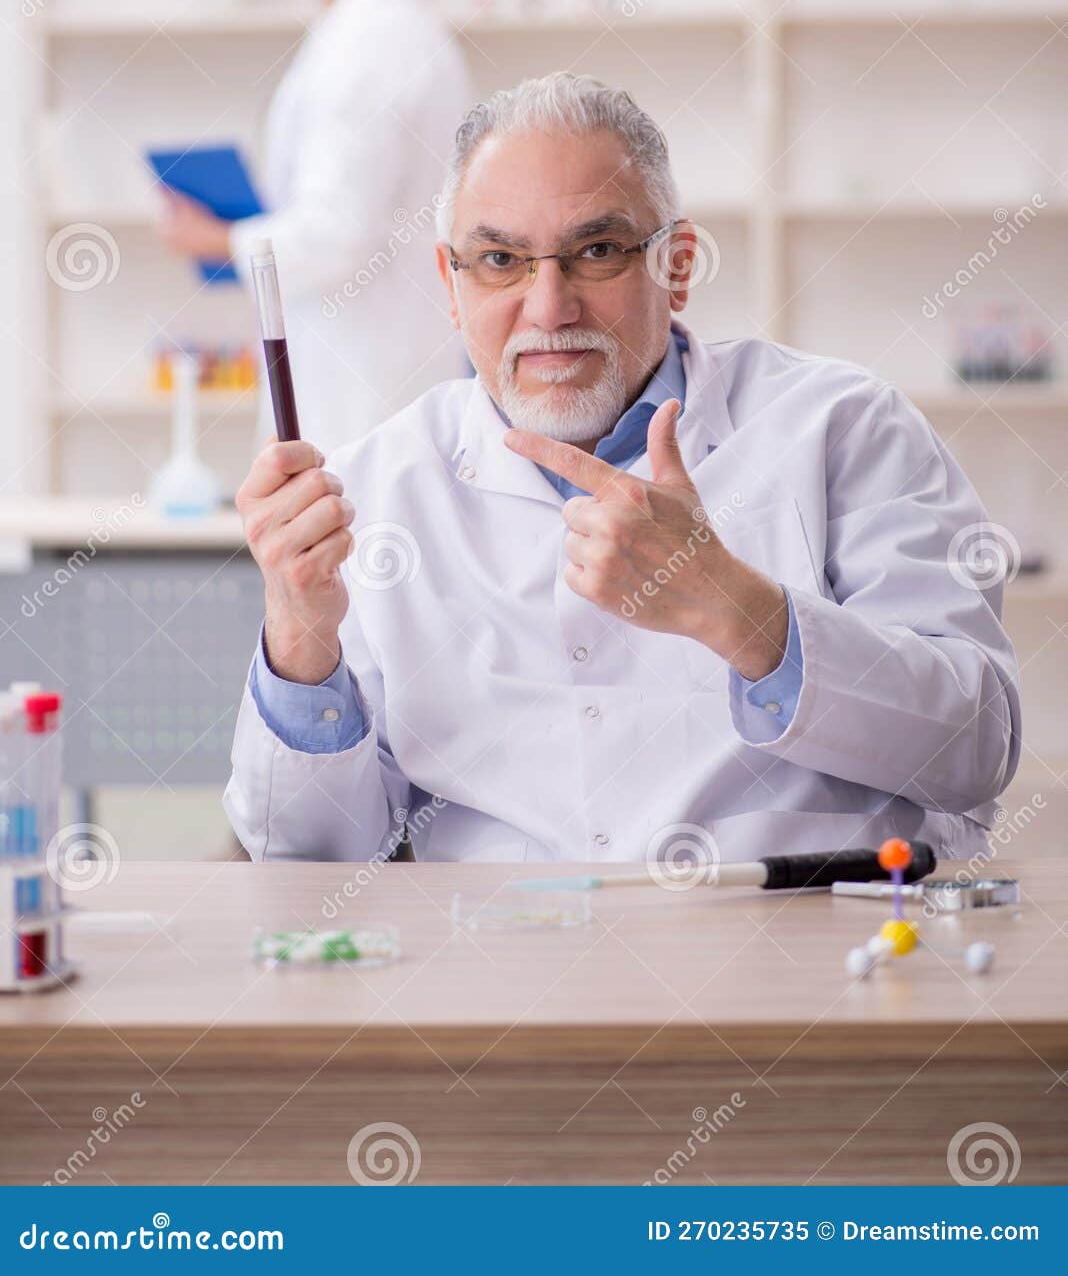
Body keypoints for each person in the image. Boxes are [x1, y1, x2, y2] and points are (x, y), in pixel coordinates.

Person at [224, 72, 1021, 865]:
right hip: (498, 967)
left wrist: (738, 610)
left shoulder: (842, 426)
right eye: (500, 258)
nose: (547, 307)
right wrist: (300, 635)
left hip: (804, 945)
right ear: (451, 284)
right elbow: (305, 860)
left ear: (676, 264)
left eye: (596, 251)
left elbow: (975, 749)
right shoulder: (375, 486)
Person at [158, 0, 472, 454]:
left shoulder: (370, 39)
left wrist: (215, 240)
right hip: (371, 369)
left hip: (367, 382)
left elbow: (339, 232)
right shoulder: (367, 27)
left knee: (353, 538)